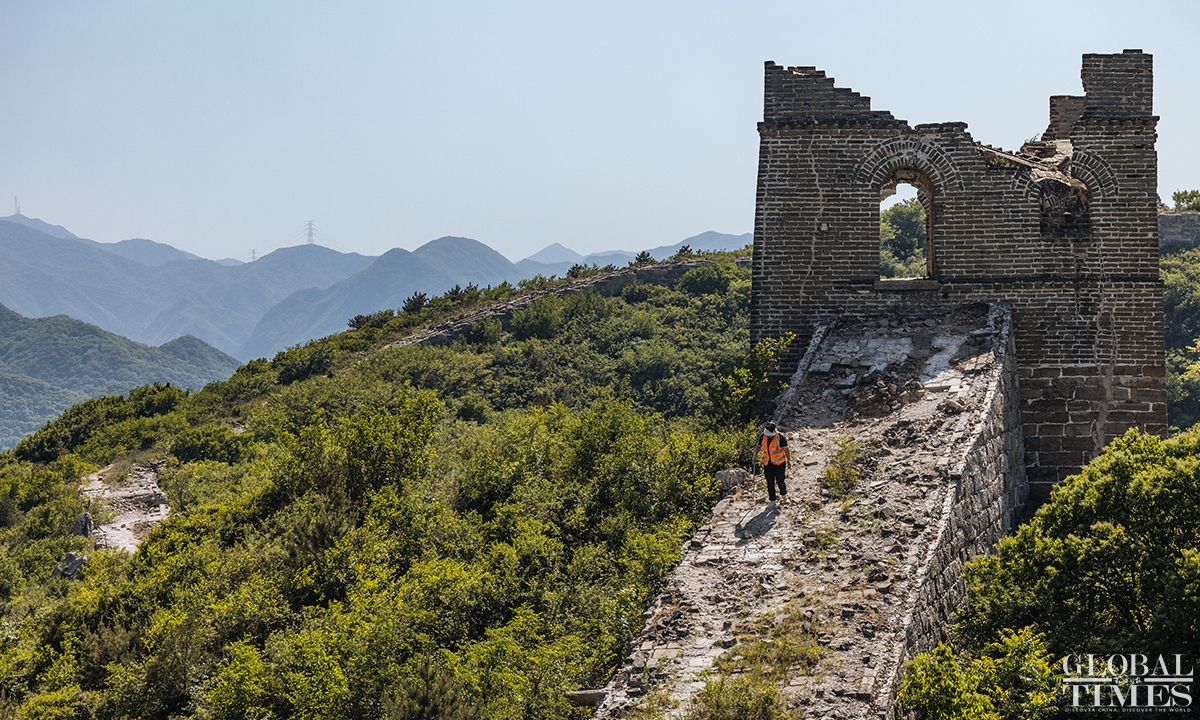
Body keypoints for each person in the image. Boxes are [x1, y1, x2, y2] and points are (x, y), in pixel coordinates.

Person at [755, 422, 790, 508]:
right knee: (769, 482)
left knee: (780, 481)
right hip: (768, 463)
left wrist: (789, 460)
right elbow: (758, 446)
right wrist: (755, 456)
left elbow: (786, 449)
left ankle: (784, 495)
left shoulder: (780, 438)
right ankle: (772, 500)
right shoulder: (763, 436)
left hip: (780, 463)